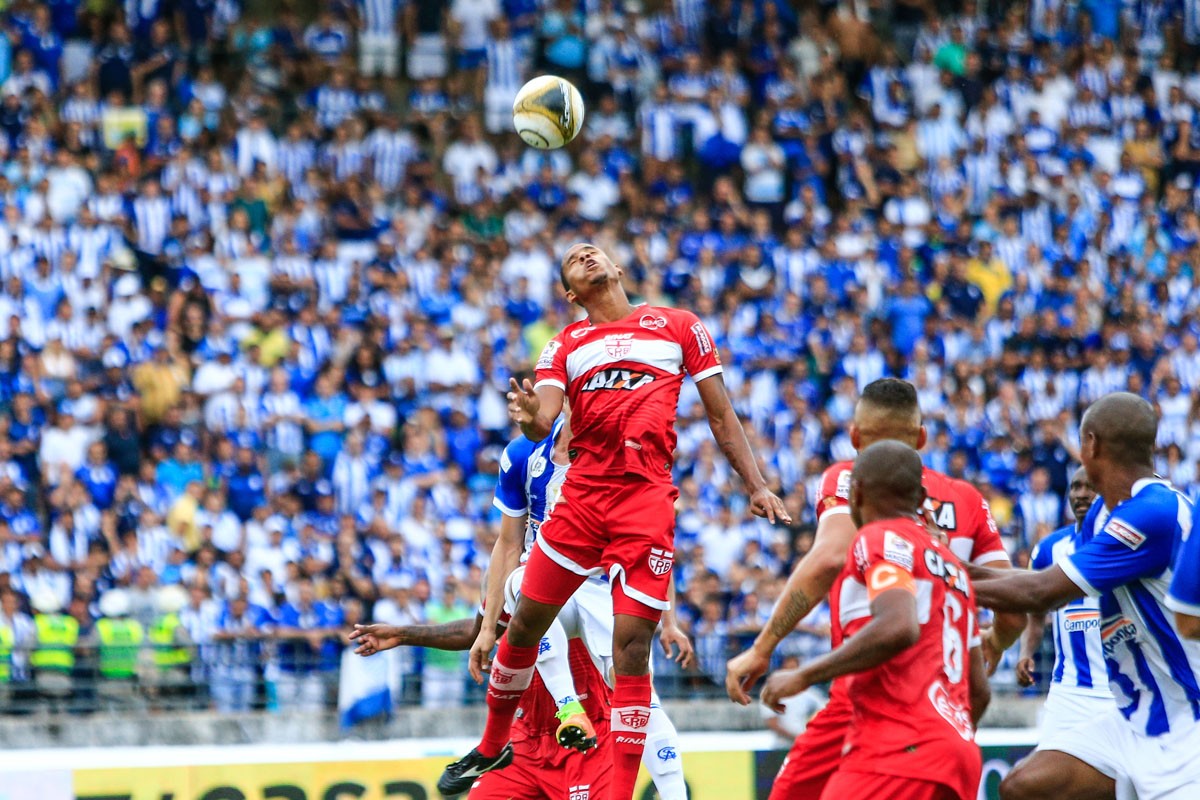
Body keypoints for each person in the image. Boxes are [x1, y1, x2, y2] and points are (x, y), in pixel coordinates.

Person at [439, 242, 790, 799]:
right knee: (523, 620)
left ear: (618, 268)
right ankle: (491, 743)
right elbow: (545, 419)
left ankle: (620, 790)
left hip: (644, 499)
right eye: (574, 260)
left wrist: (756, 485)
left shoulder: (678, 325)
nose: (585, 254)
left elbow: (721, 412)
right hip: (581, 498)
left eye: (593, 251)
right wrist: (531, 420)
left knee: (632, 651)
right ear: (569, 293)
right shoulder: (567, 343)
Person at [725, 377, 1023, 799]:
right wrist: (995, 641)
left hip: (873, 699)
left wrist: (764, 648)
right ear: (921, 436)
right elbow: (1013, 610)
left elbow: (831, 559)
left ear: (853, 438)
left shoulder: (855, 484)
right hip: (949, 717)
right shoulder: (967, 504)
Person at [971, 392, 1200, 799]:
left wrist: (940, 579)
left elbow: (1042, 592)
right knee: (1023, 788)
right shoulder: (1103, 515)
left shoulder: (1154, 513)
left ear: (1090, 445)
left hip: (1186, 726)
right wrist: (945, 567)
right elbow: (1039, 583)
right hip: (1131, 719)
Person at [474, 406, 690, 798]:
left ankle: (676, 792)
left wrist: (669, 619)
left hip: (603, 587)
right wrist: (488, 626)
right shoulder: (524, 455)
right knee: (522, 584)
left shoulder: (626, 455)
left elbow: (655, 540)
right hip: (549, 579)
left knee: (639, 696)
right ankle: (569, 708)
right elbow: (507, 542)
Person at [762, 441, 989, 800]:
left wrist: (803, 675)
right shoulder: (954, 571)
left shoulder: (880, 537)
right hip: (957, 753)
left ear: (857, 492)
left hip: (898, 749)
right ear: (920, 498)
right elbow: (980, 689)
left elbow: (898, 626)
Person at [351, 612, 614, 800]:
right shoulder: (513, 569)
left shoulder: (576, 567)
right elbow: (480, 629)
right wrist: (400, 634)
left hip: (586, 736)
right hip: (524, 741)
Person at [1016, 467, 1113, 740]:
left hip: (1118, 691)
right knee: (1042, 782)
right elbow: (1035, 614)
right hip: (1068, 693)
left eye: (1089, 487)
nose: (1081, 495)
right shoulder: (1050, 548)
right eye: (1075, 487)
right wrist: (1026, 652)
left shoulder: (1124, 542)